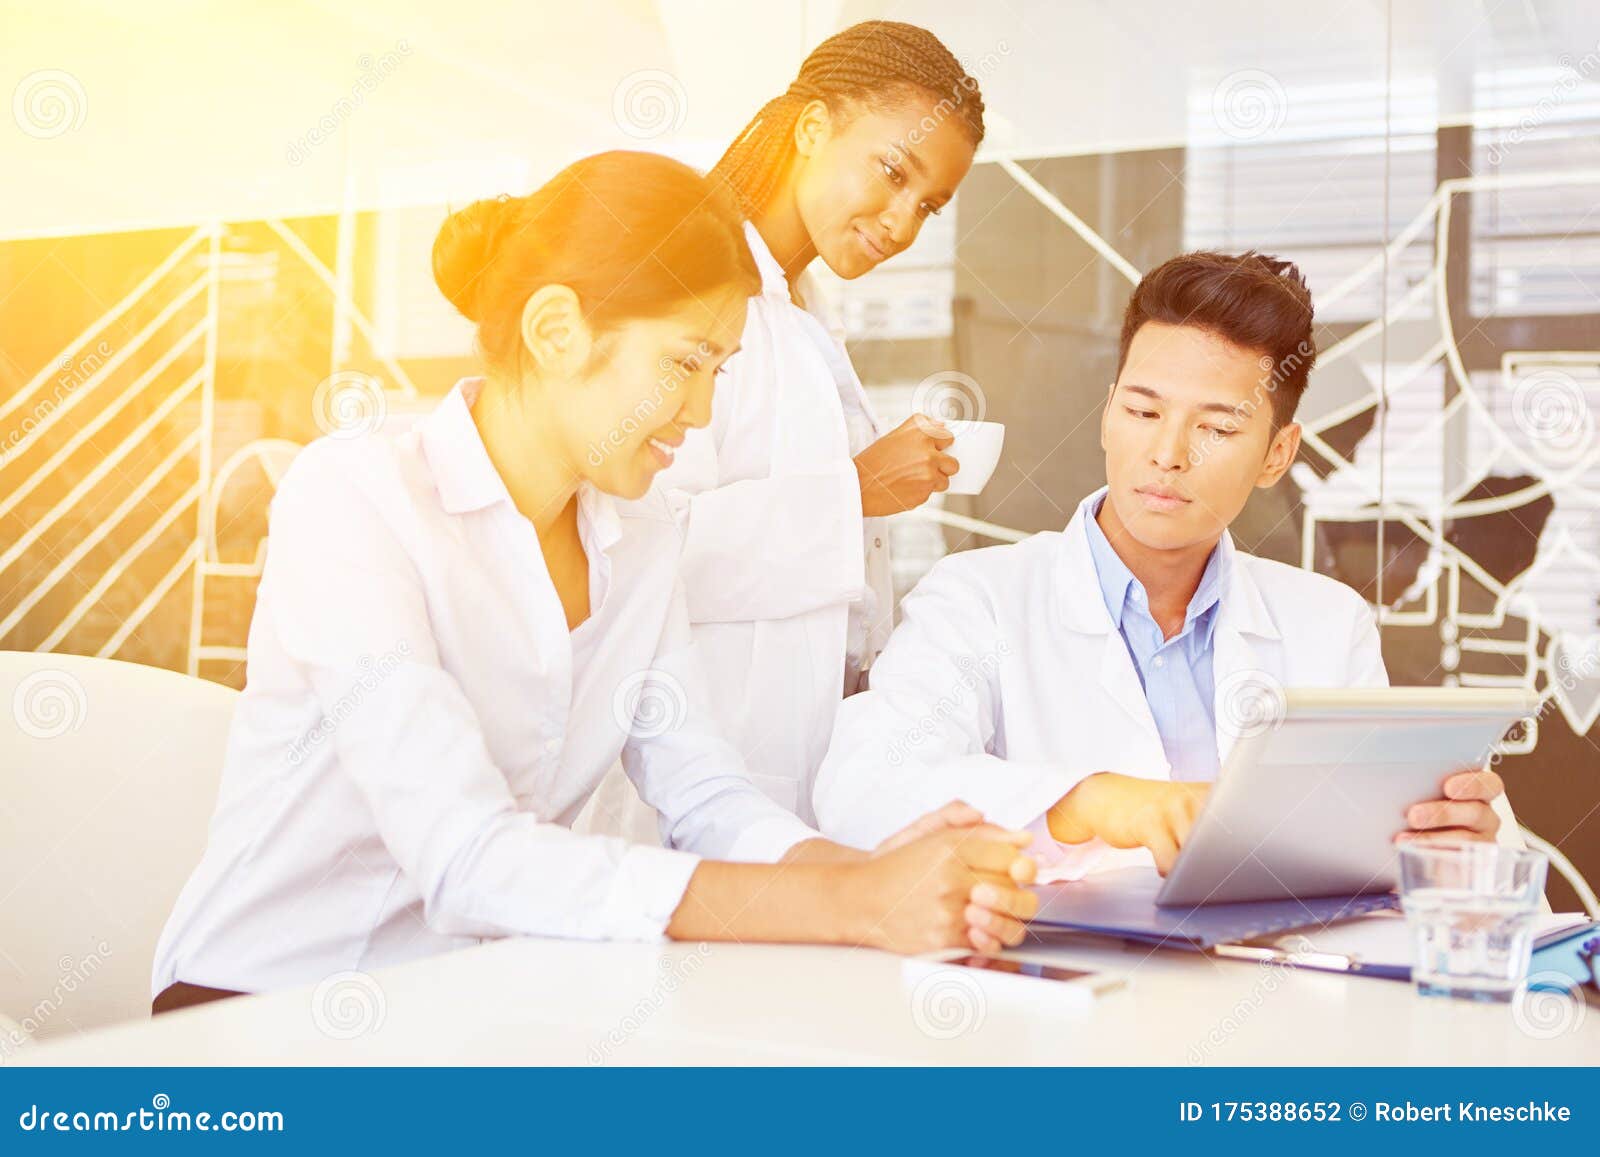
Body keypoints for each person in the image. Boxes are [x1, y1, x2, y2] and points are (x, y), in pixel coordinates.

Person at [150, 152, 1038, 1012]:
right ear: (554, 331)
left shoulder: (642, 536)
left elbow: (703, 793)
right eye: (684, 362)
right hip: (260, 1014)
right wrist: (847, 904)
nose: (699, 411)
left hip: (469, 1009)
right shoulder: (357, 496)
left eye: (718, 372)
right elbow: (466, 855)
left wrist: (865, 871)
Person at [812, 251, 1513, 874]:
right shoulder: (980, 598)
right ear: (1108, 413)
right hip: (1058, 1002)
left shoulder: (1329, 626)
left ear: (1277, 453)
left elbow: (1376, 845)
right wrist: (1079, 802)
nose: (1169, 453)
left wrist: (1453, 846)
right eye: (1145, 413)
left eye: (1216, 427)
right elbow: (863, 791)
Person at [653, 21, 983, 821]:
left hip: (797, 769)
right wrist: (855, 491)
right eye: (892, 171)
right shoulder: (685, 294)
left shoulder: (801, 311)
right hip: (695, 773)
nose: (902, 223)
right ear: (811, 128)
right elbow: (638, 552)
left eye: (928, 207)